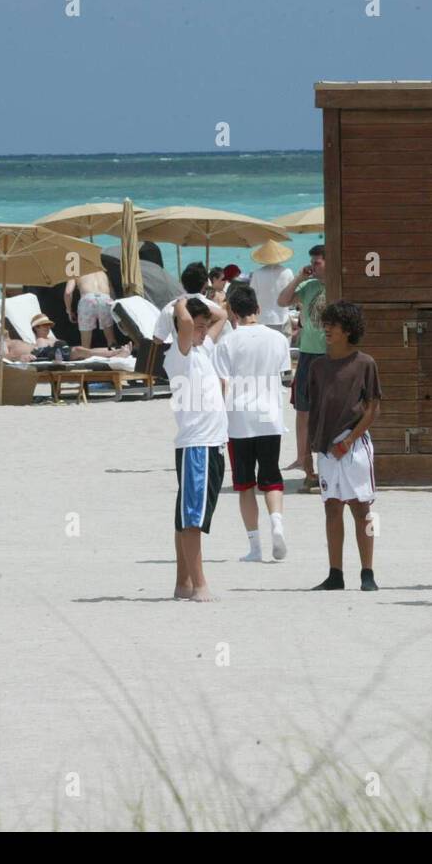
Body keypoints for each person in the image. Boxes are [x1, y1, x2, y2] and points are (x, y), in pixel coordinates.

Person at [306, 300, 381, 592]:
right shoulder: (317, 366)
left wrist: (349, 440)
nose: (327, 328)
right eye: (326, 323)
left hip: (355, 445)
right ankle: (335, 574)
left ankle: (368, 573)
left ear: (348, 329)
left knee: (363, 509)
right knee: (331, 508)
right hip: (326, 449)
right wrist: (307, 451)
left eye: (333, 324)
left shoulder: (365, 363)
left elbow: (373, 408)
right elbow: (312, 411)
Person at [213, 285, 291, 562]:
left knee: (245, 484)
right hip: (270, 416)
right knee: (272, 477)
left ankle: (255, 547)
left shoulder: (227, 342)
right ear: (258, 308)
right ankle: (277, 523)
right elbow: (283, 374)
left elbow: (223, 383)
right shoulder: (278, 339)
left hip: (239, 419)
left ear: (233, 312)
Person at [164, 294, 229, 602]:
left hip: (212, 442)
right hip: (197, 444)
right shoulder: (180, 354)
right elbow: (186, 322)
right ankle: (200, 585)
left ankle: (184, 582)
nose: (203, 331)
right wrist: (180, 301)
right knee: (193, 517)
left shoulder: (204, 349)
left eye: (204, 327)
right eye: (198, 327)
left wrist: (199, 299)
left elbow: (222, 315)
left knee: (187, 515)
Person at [278, 244, 327, 491]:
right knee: (303, 409)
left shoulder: (339, 285)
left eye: (317, 262)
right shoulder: (308, 286)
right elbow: (282, 300)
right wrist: (299, 276)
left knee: (328, 411)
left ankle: (325, 469)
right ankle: (307, 468)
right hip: (308, 354)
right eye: (313, 262)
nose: (313, 266)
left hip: (330, 355)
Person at [31, 313, 130, 359]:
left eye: (49, 325)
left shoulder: (51, 338)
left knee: (88, 350)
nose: (48, 327)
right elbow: (42, 354)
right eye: (44, 325)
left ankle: (118, 350)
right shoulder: (40, 340)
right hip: (64, 355)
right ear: (36, 328)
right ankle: (115, 354)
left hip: (68, 352)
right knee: (81, 350)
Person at [248, 240, 295, 336]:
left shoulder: (257, 273)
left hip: (263, 318)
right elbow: (293, 293)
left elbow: (252, 295)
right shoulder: (287, 272)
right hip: (283, 317)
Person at [154, 262, 211, 341]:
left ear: (183, 283)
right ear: (205, 284)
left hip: (178, 347)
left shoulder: (170, 307)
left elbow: (158, 339)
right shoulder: (213, 308)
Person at [64, 270, 118, 350]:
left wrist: (69, 311)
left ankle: (86, 354)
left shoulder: (76, 271)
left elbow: (68, 292)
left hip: (87, 300)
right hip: (105, 299)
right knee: (111, 340)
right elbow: (112, 292)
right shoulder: (102, 272)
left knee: (85, 344)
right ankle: (115, 353)